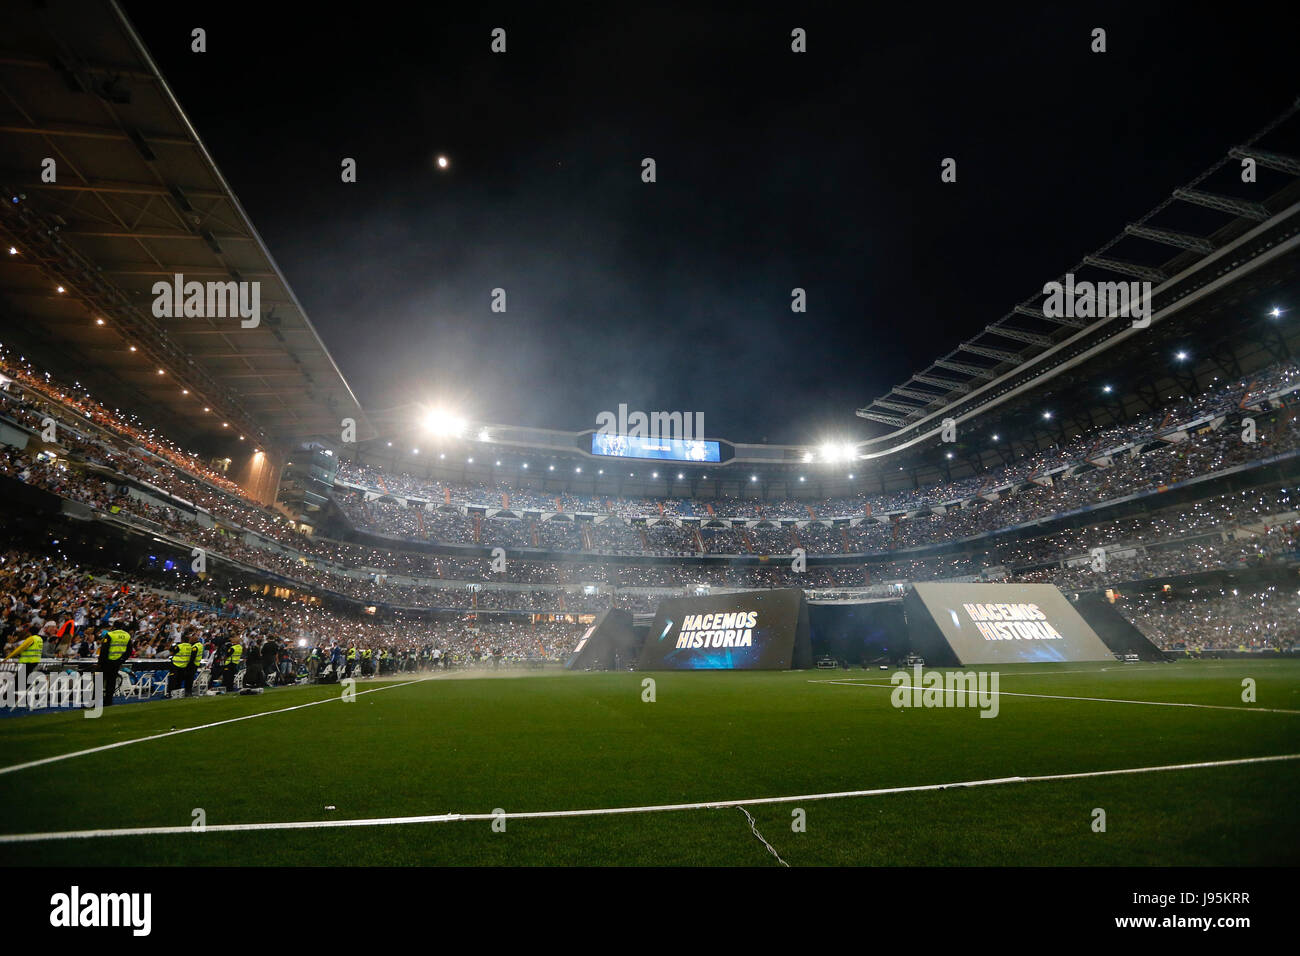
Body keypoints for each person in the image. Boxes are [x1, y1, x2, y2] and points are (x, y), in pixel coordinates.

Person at [97, 621, 133, 707]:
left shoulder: (110, 635)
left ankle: (96, 701)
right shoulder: (127, 636)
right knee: (111, 683)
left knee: (99, 681)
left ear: (114, 626)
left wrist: (100, 662)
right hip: (116, 663)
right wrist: (122, 660)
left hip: (106, 662)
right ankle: (108, 702)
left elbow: (104, 650)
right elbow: (129, 651)